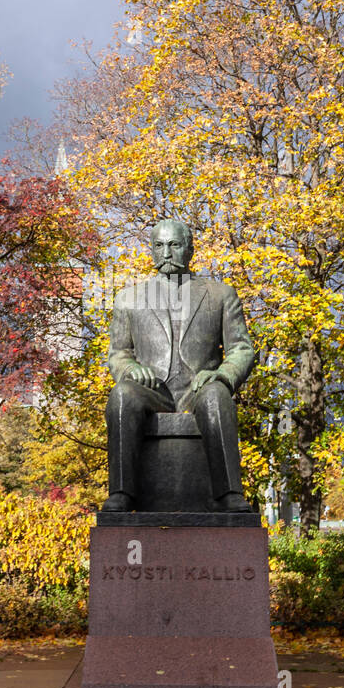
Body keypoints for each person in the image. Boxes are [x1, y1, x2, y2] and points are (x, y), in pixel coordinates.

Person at [102, 218, 255, 513]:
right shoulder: (129, 298)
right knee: (121, 395)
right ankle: (121, 493)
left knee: (216, 394)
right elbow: (118, 354)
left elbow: (241, 349)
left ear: (190, 249)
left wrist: (222, 375)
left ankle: (229, 494)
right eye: (159, 246)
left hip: (199, 389)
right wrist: (131, 370)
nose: (166, 253)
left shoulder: (221, 294)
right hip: (152, 391)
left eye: (174, 245)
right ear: (151, 250)